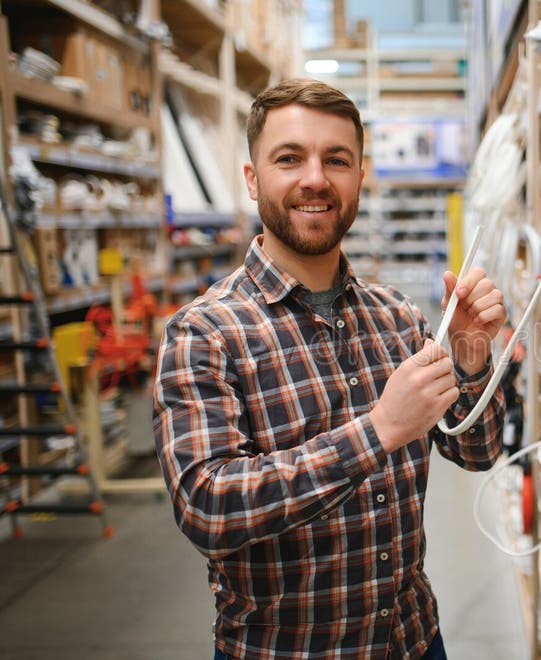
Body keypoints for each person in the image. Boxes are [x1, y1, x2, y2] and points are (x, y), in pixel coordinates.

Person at [153, 78, 506, 660]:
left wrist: (470, 354)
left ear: (358, 179)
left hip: (413, 640)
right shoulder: (205, 331)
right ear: (252, 178)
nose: (315, 178)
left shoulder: (397, 316)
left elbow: (480, 450)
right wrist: (378, 431)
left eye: (336, 160)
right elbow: (205, 506)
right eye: (289, 158)